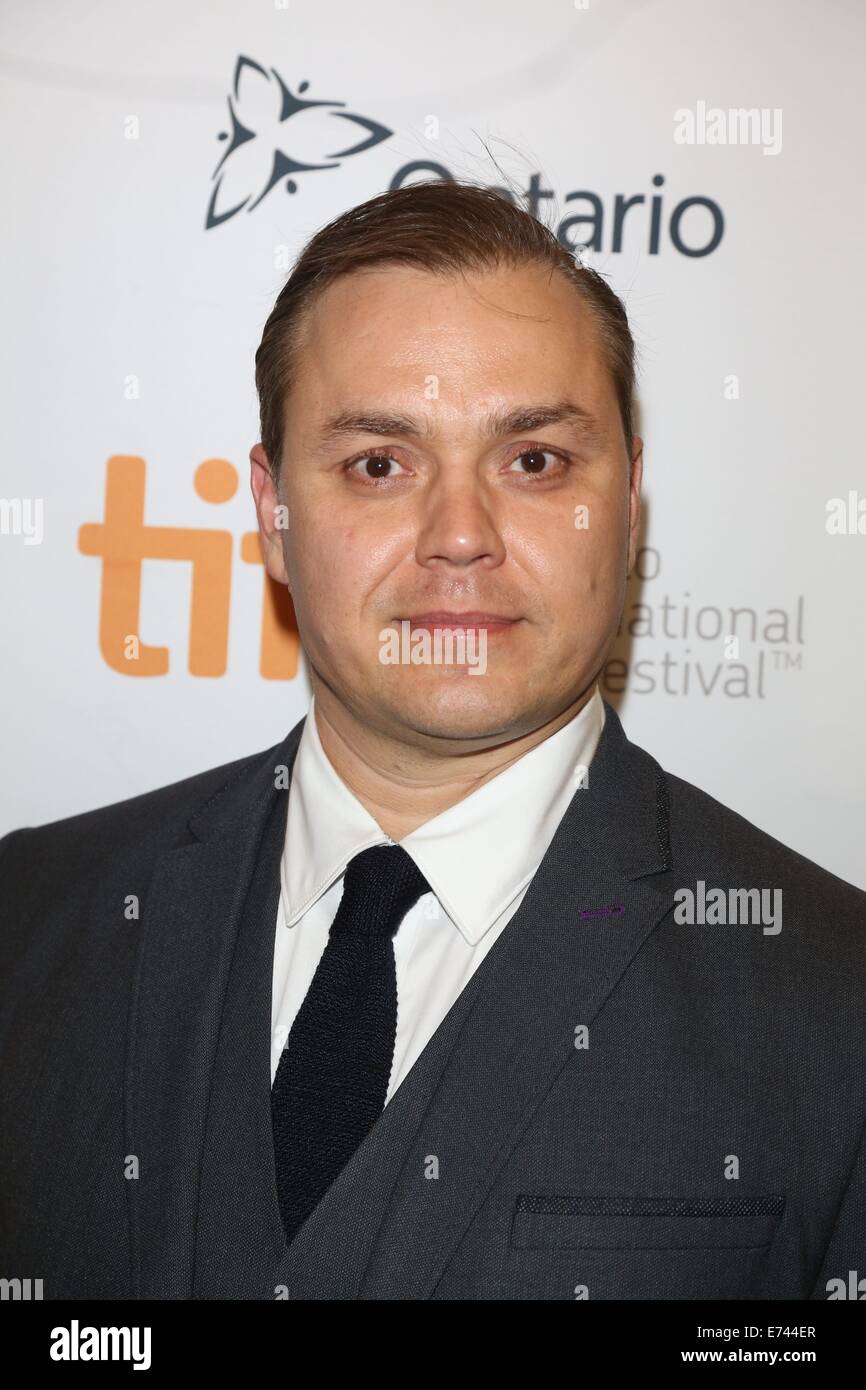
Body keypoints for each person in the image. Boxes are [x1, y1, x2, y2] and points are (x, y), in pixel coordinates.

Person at [1, 181, 863, 1301]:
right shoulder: (27, 919)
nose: (460, 536)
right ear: (270, 512)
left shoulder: (832, 999)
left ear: (631, 503)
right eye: (377, 463)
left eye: (535, 461)